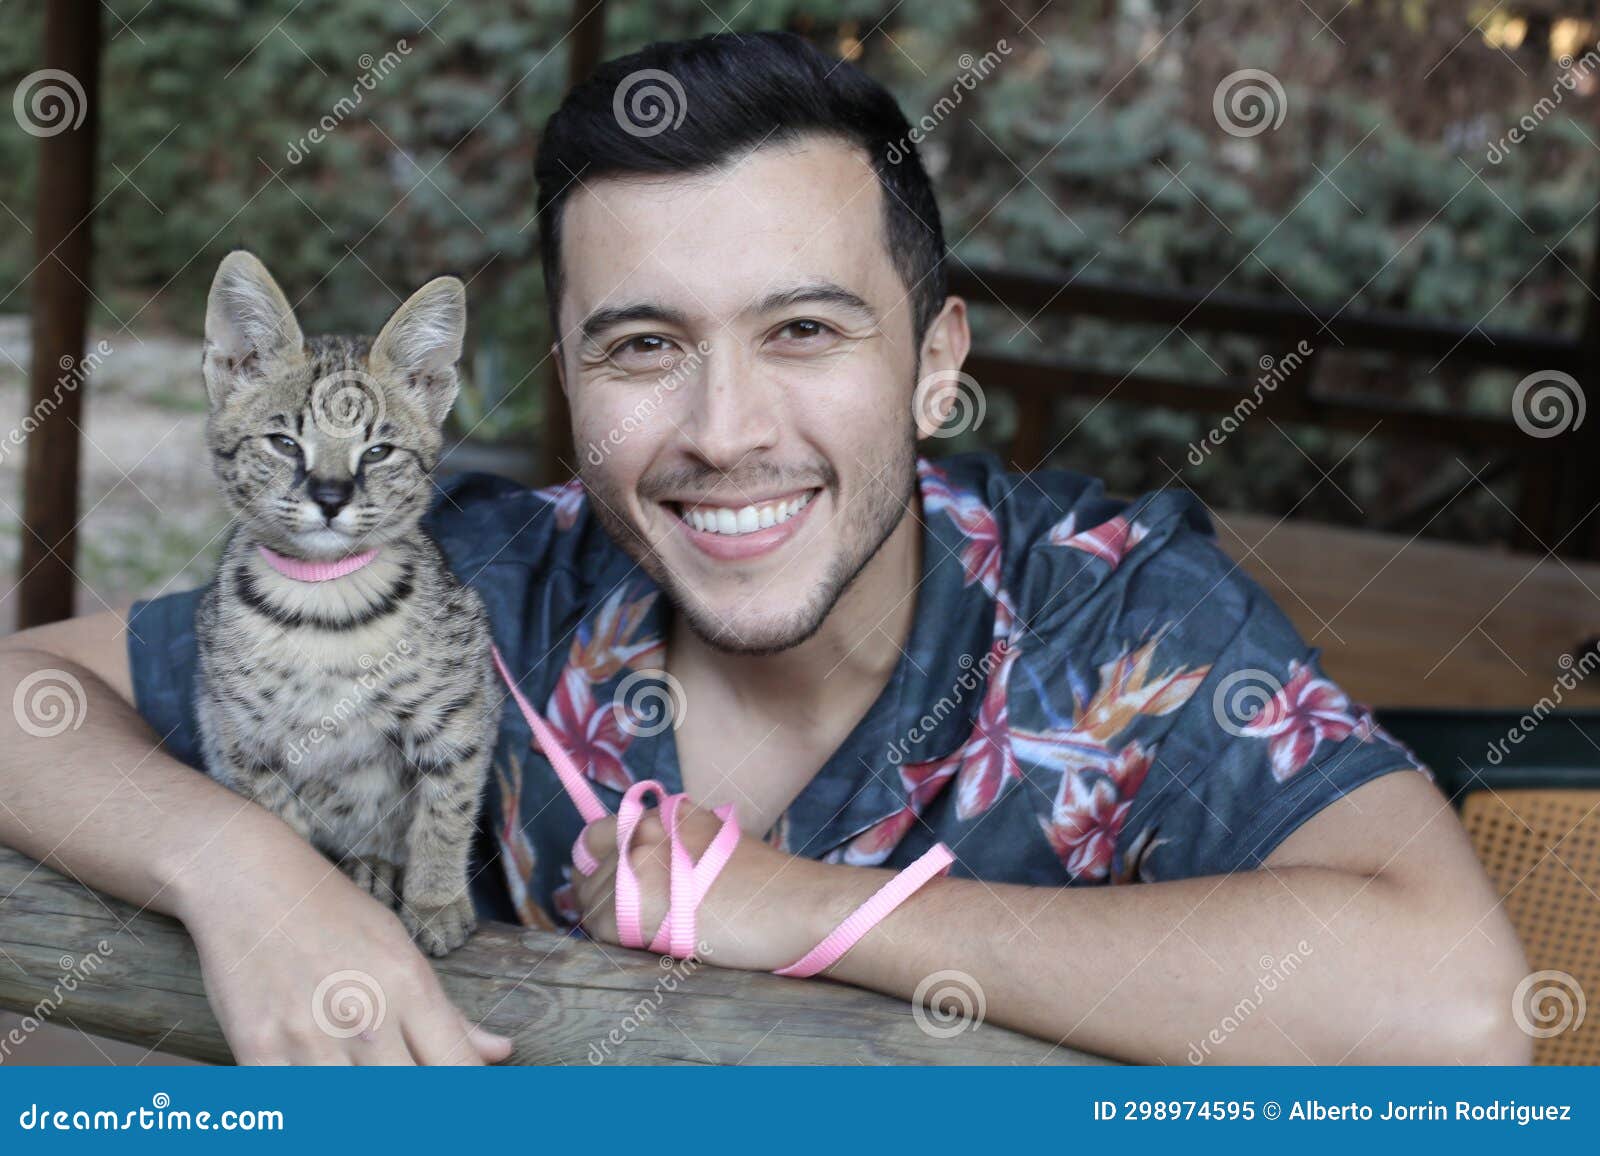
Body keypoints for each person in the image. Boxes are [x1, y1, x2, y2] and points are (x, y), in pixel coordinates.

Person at [0, 31, 1528, 1065]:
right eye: (644, 346)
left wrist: (800, 914)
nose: (724, 429)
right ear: (568, 384)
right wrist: (241, 865)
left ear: (937, 362)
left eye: (803, 330)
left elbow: (1457, 1005)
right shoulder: (478, 583)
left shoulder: (1110, 612)